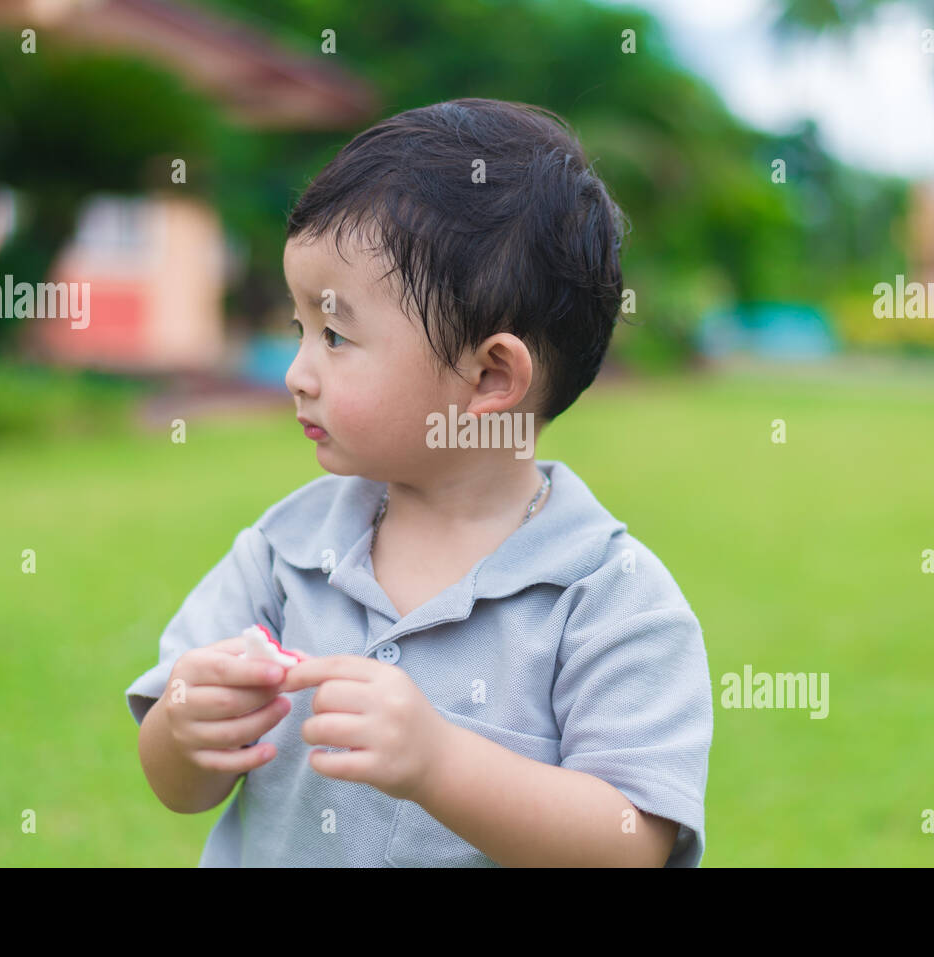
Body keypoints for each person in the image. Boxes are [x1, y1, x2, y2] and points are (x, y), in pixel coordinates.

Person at [125, 98, 713, 867]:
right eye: (298, 329)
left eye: (335, 334)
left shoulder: (609, 599)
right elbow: (180, 784)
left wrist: (441, 764)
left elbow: (631, 843)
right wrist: (184, 725)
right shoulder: (285, 552)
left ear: (491, 375)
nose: (298, 373)